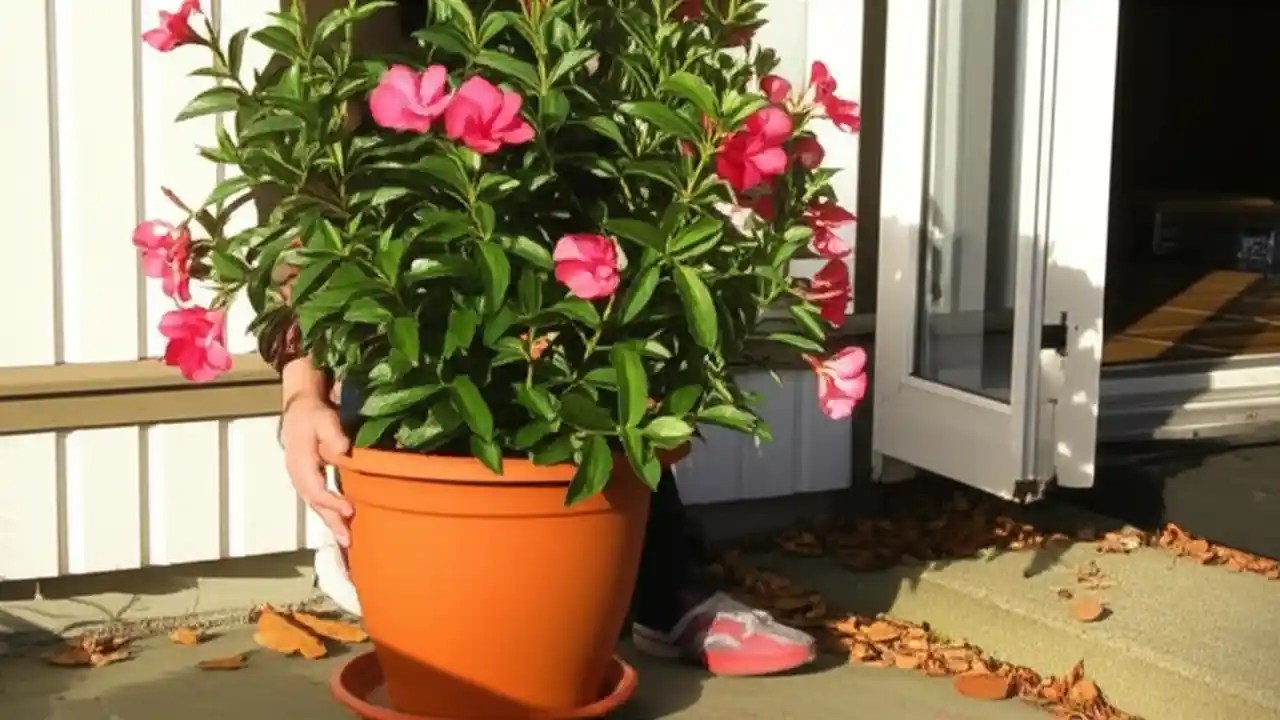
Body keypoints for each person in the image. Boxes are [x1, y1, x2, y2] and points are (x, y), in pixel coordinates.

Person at [268, 0, 816, 678]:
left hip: (556, 273)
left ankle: (659, 585)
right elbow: (300, 196)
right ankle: (416, 575)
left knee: (593, 376)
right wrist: (301, 395)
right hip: (411, 308)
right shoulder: (351, 23)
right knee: (412, 367)